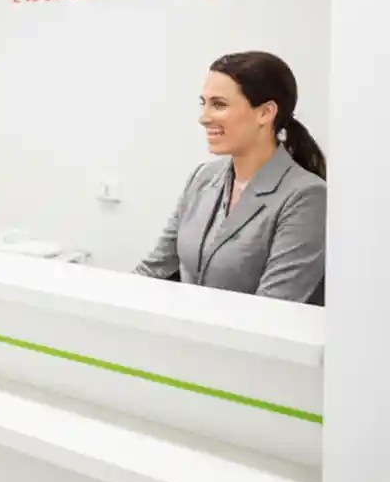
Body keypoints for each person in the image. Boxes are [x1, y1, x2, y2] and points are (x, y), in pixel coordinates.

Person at [135, 51, 326, 304]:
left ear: (266, 113)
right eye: (203, 103)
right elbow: (153, 270)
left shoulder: (306, 196)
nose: (204, 117)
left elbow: (272, 308)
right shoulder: (202, 178)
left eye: (219, 105)